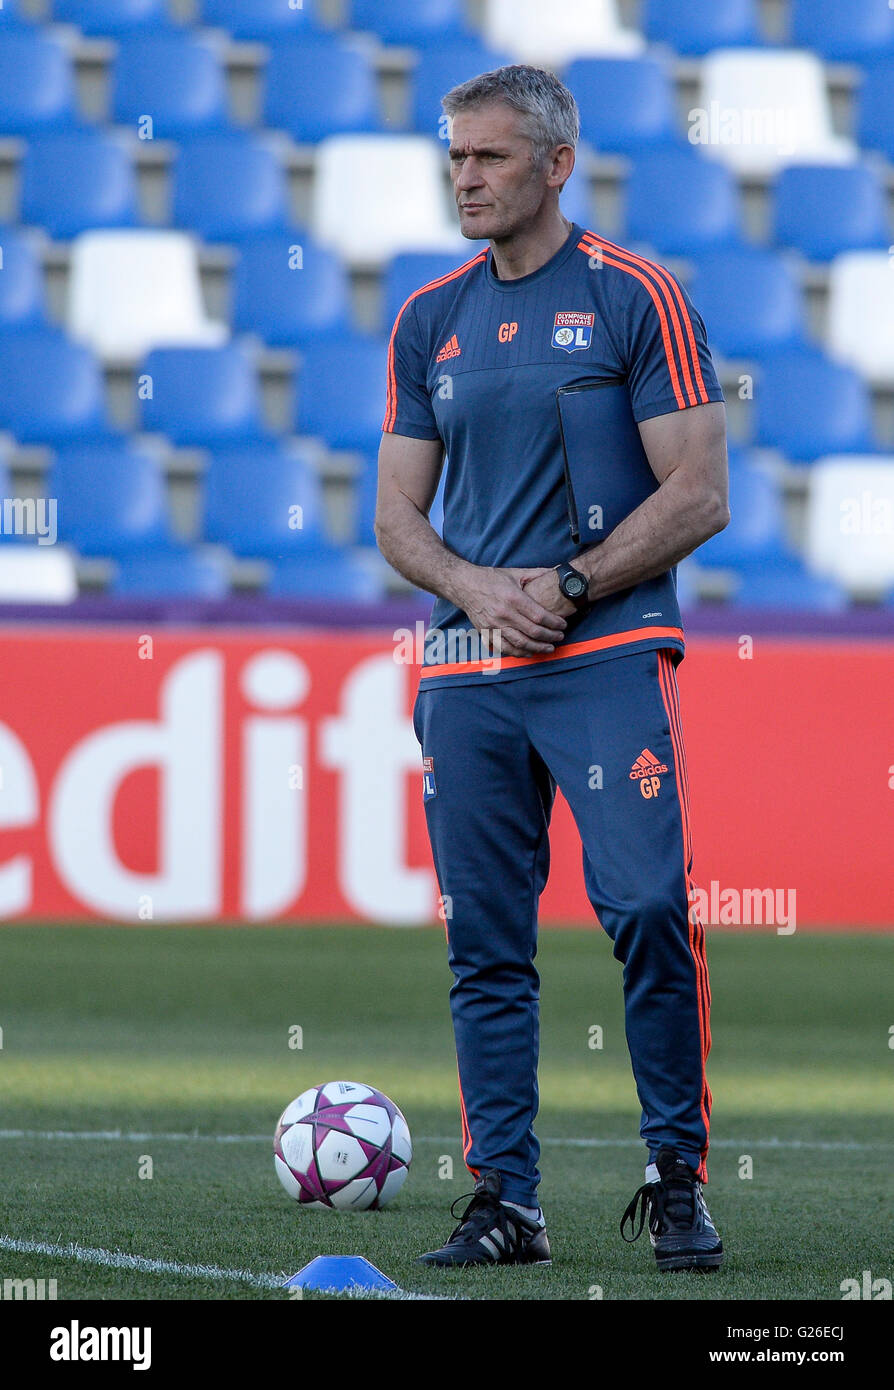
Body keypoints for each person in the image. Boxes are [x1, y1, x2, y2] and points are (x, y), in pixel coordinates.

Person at [375, 65, 729, 1272]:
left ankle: (674, 1173)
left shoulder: (638, 296)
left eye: (489, 158)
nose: (465, 178)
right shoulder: (428, 318)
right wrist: (477, 590)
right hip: (468, 663)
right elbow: (396, 517)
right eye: (456, 157)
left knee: (642, 907)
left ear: (556, 164)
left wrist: (568, 587)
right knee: (485, 934)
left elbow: (700, 490)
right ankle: (505, 1202)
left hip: (608, 650)